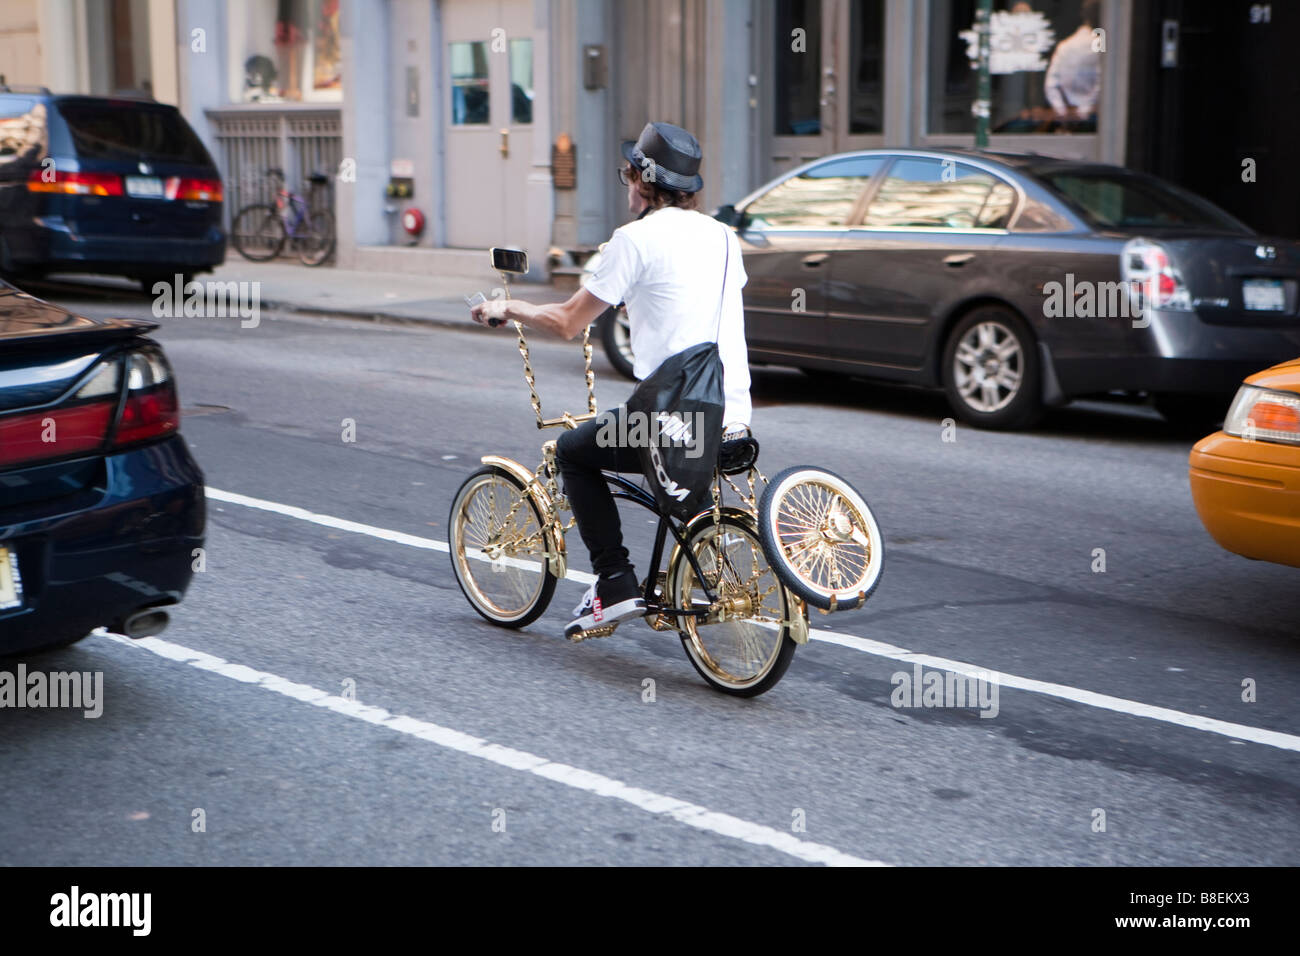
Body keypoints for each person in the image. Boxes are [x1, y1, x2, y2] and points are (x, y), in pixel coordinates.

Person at [470, 121, 751, 639]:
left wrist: (508, 307)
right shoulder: (724, 238)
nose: (626, 184)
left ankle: (614, 582)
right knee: (670, 485)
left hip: (670, 422)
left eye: (628, 174)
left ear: (643, 181)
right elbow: (684, 297)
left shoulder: (634, 240)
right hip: (730, 419)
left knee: (575, 452)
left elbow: (569, 321)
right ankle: (679, 573)